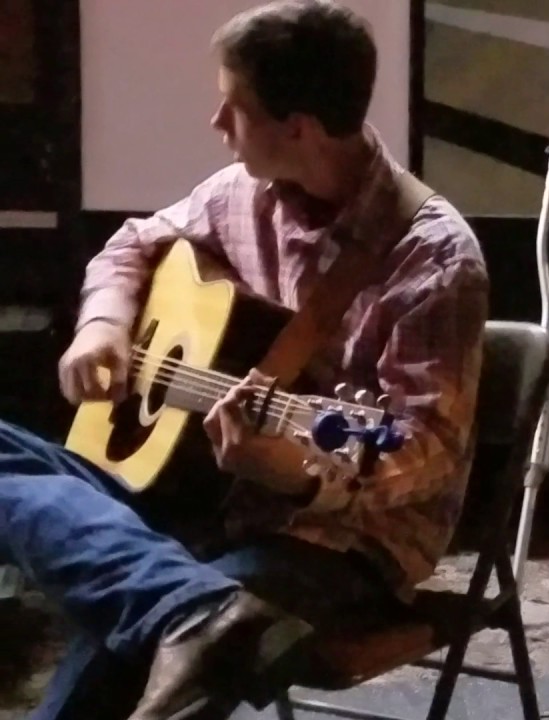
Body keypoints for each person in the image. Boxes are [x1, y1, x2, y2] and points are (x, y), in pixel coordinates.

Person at [0, 1, 487, 718]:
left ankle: (183, 608)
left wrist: (287, 470)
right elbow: (135, 244)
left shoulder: (435, 260)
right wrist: (101, 326)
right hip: (197, 504)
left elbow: (426, 450)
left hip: (339, 543)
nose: (215, 125)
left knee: (112, 666)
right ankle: (187, 605)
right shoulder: (242, 195)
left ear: (299, 130)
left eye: (233, 108)